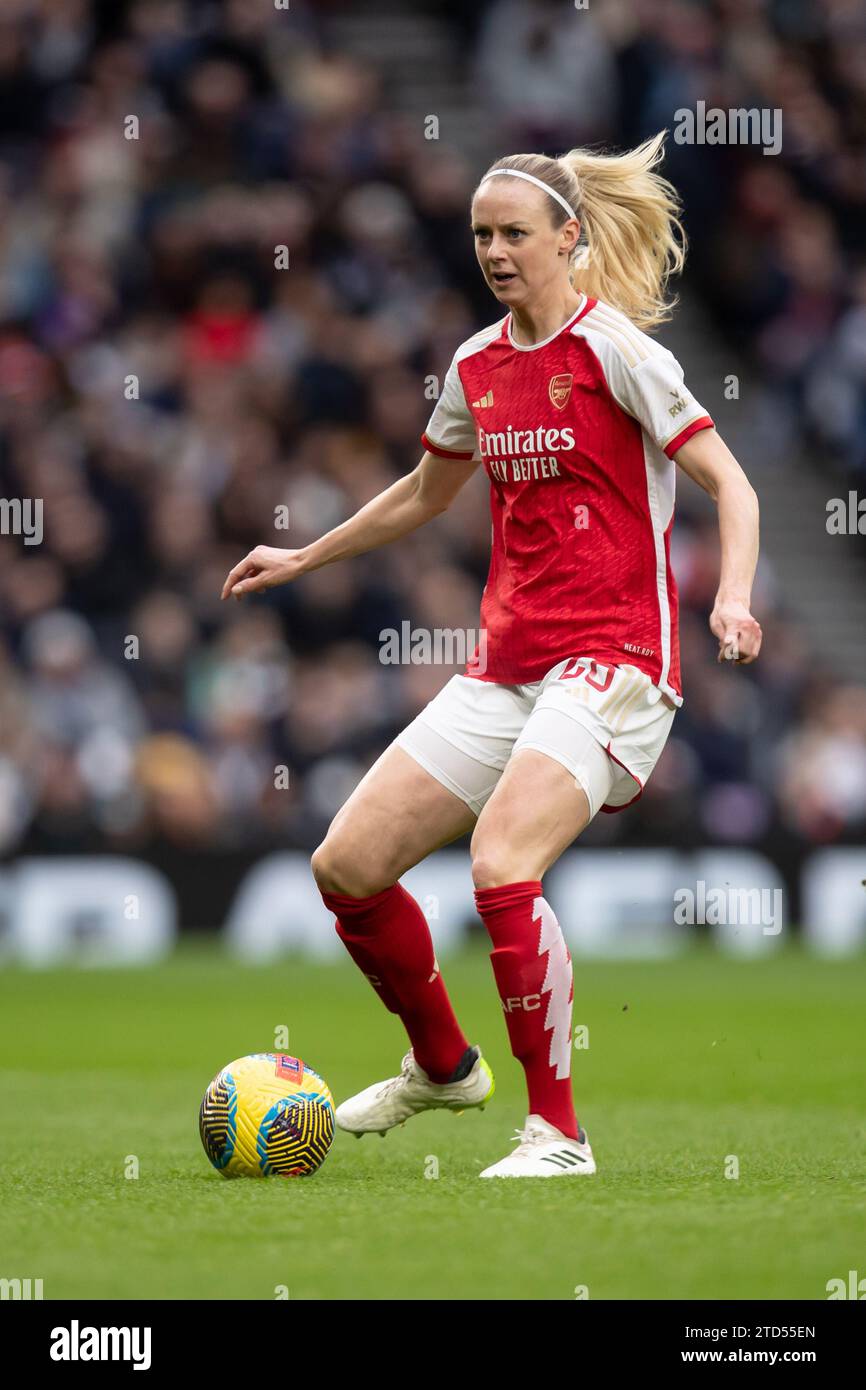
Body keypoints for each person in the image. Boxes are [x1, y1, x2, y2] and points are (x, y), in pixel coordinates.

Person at [221, 131, 762, 1178]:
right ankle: (443, 1065)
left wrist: (730, 598)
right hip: (508, 667)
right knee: (346, 867)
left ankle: (556, 1134)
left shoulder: (620, 353)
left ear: (568, 236)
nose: (495, 251)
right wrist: (307, 554)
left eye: (514, 232)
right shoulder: (475, 363)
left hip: (617, 658)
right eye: (480, 234)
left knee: (500, 864)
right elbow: (426, 493)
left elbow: (730, 485)